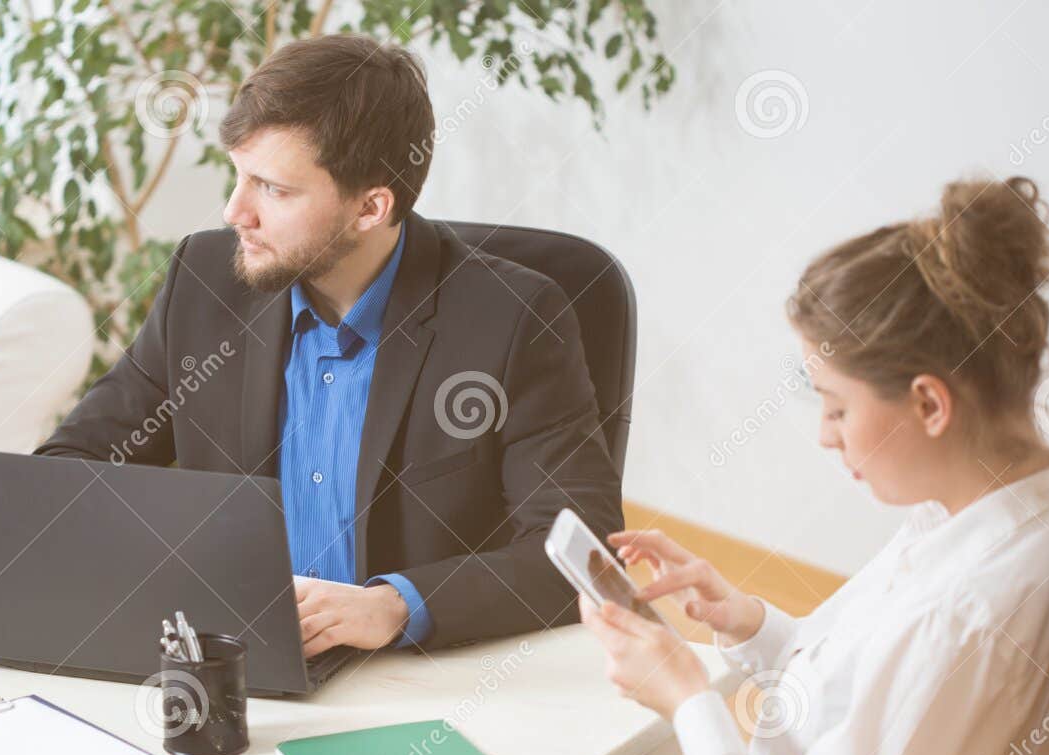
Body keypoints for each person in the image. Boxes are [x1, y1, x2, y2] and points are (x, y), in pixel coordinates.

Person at [294, 176, 1049, 755]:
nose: (826, 435)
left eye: (835, 405)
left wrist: (688, 702)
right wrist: (747, 622)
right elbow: (877, 690)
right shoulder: (1000, 524)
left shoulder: (968, 616)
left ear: (932, 404)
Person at [35, 34, 622, 657]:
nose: (236, 211)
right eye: (239, 176)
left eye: (273, 189)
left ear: (371, 207)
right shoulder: (205, 281)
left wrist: (396, 604)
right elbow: (81, 460)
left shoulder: (513, 319)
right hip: (240, 665)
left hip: (422, 679)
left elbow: (582, 552)